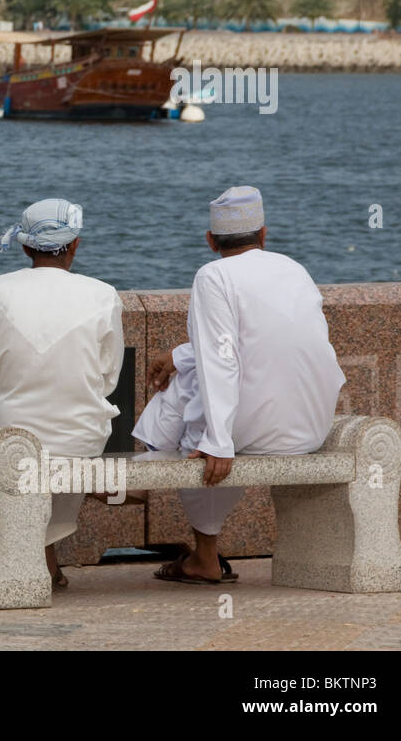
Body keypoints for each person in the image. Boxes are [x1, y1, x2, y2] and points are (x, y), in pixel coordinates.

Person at [135, 186, 346, 584]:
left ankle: (152, 489)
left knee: (192, 408)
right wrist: (180, 357)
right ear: (263, 236)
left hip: (254, 432)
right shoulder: (293, 268)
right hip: (311, 428)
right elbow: (260, 344)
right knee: (198, 390)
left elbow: (221, 359)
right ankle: (154, 471)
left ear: (210, 240)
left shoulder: (213, 275)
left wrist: (218, 439)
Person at [0, 198, 125, 587]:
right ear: (75, 245)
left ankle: (36, 562)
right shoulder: (103, 295)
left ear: (25, 247)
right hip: (81, 438)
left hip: (12, 438)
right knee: (66, 443)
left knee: (17, 443)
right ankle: (44, 560)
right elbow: (107, 379)